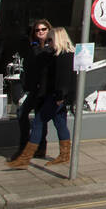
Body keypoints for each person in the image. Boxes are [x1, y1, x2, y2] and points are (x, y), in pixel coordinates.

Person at [6, 26, 76, 168]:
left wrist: (61, 96)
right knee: (60, 122)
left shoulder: (64, 55)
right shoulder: (57, 54)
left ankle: (25, 158)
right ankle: (64, 155)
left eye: (51, 39)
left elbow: (65, 79)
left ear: (58, 39)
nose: (48, 42)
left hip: (57, 97)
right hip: (56, 95)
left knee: (38, 122)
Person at [15, 19, 52, 159]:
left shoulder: (50, 48)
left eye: (43, 29)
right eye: (38, 30)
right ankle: (28, 145)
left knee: (40, 118)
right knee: (22, 114)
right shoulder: (33, 47)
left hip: (44, 89)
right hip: (33, 88)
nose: (40, 32)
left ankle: (38, 147)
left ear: (49, 31)